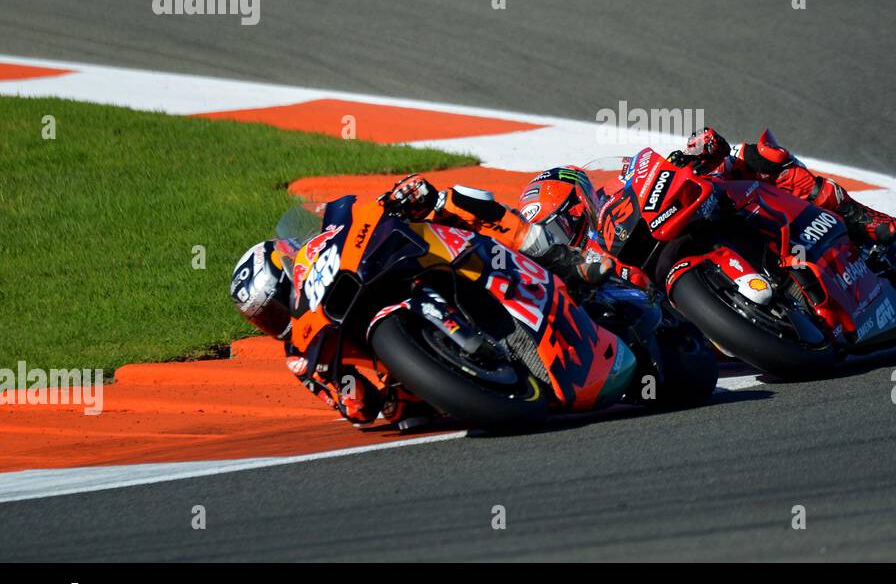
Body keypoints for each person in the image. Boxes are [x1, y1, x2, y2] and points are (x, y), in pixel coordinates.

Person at [229, 174, 610, 430]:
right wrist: (348, 386)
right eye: (264, 317)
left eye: (274, 303)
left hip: (415, 267)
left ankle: (560, 258)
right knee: (404, 415)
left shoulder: (318, 254)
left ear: (288, 265)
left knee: (453, 201)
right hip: (414, 376)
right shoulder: (299, 353)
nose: (275, 317)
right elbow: (358, 410)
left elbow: (354, 215)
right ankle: (476, 383)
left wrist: (401, 199)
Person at [667, 128, 896, 247]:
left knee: (774, 164)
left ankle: (861, 217)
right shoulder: (685, 184)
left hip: (787, 210)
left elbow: (718, 143)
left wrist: (701, 153)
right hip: (746, 231)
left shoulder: (737, 158)